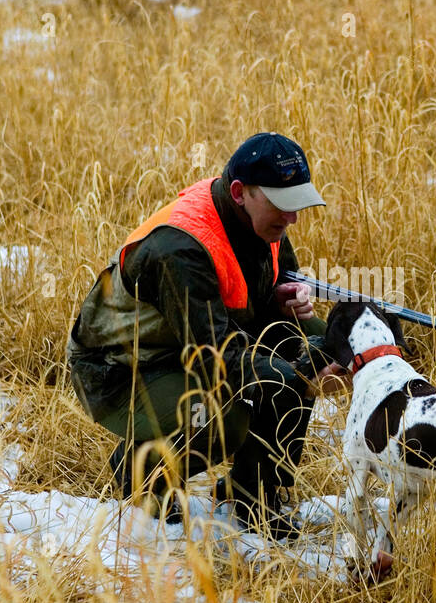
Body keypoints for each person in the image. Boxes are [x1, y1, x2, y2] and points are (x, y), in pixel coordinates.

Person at [65, 132, 347, 533]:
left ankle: (255, 495)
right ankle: (141, 473)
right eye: (283, 206)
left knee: (311, 342)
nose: (292, 218)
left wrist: (282, 305)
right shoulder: (180, 249)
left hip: (185, 343)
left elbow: (252, 306)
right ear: (239, 192)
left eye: (297, 204)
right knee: (224, 417)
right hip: (120, 371)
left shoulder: (262, 222)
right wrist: (302, 377)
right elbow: (219, 361)